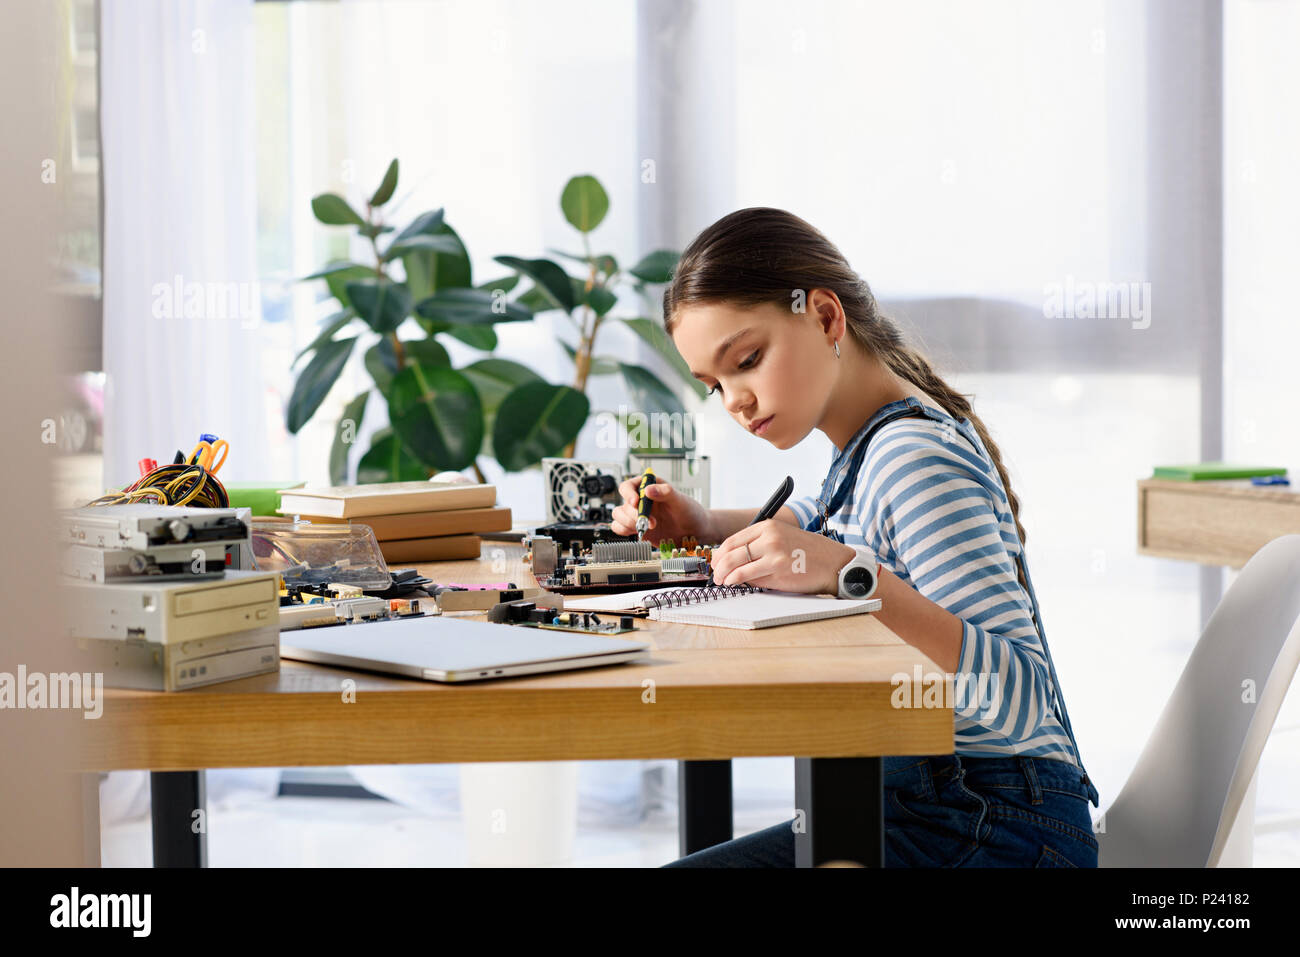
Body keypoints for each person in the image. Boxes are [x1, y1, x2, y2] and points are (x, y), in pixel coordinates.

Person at [609, 207, 1100, 867]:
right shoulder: (867, 450)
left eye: (747, 360)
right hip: (943, 810)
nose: (734, 400)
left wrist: (847, 573)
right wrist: (703, 525)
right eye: (715, 384)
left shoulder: (911, 458)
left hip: (997, 824)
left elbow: (1021, 696)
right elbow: (815, 516)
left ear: (824, 317)